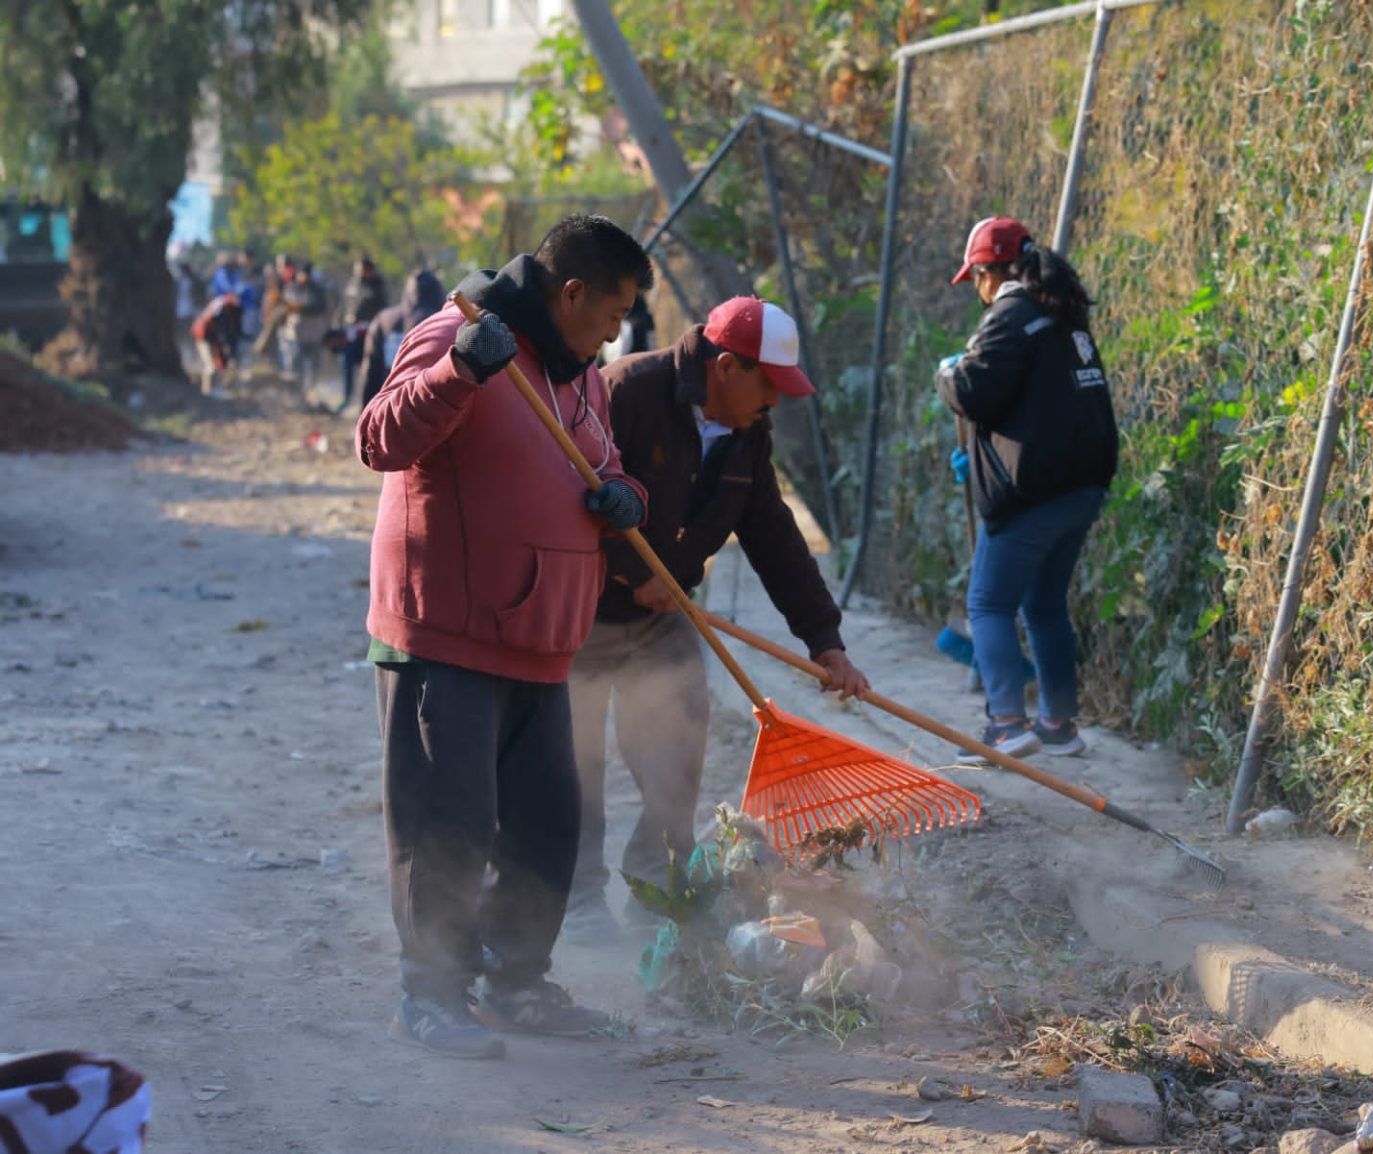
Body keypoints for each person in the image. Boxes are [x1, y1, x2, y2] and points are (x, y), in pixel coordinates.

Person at [356, 214, 654, 1060]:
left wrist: (626, 496)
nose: (614, 336)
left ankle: (515, 982)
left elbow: (604, 460)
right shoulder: (457, 333)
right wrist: (456, 373)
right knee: (447, 823)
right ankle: (430, 995)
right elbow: (378, 439)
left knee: (547, 824)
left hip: (542, 642)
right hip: (445, 635)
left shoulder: (580, 375)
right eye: (611, 315)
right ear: (572, 294)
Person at [565, 296, 871, 940]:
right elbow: (567, 492)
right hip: (582, 612)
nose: (775, 403)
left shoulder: (747, 433)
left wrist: (825, 641)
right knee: (575, 757)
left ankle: (654, 892)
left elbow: (774, 535)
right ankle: (579, 900)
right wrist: (630, 569)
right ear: (726, 368)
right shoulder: (627, 392)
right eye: (770, 385)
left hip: (663, 618)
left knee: (676, 752)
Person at [936, 217, 1117, 761]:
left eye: (975, 279)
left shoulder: (1010, 314)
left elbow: (973, 391)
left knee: (988, 603)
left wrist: (947, 375)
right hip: (1084, 484)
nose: (977, 290)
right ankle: (1058, 725)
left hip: (1034, 491)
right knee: (1043, 604)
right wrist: (981, 459)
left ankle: (1006, 726)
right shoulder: (1063, 313)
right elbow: (1037, 400)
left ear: (991, 273)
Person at [358, 267, 445, 410]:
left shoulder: (384, 319)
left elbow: (370, 371)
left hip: (387, 405)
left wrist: (365, 412)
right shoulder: (441, 322)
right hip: (426, 407)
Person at [337, 254, 389, 411]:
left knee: (368, 368)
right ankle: (347, 397)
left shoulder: (378, 286)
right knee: (347, 365)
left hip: (369, 334)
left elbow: (383, 309)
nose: (358, 272)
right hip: (352, 332)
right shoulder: (353, 284)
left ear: (369, 270)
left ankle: (369, 401)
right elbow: (344, 304)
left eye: (361, 269)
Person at [277, 261, 328, 391]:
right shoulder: (291, 288)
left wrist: (301, 307)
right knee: (296, 362)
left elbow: (319, 307)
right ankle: (297, 390)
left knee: (314, 362)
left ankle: (312, 388)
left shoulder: (317, 290)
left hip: (314, 333)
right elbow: (284, 306)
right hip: (295, 333)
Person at [189, 291, 243, 395]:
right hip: (203, 336)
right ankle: (207, 392)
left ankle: (216, 389)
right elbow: (220, 331)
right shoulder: (220, 311)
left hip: (209, 336)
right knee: (211, 367)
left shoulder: (221, 306)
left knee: (219, 365)